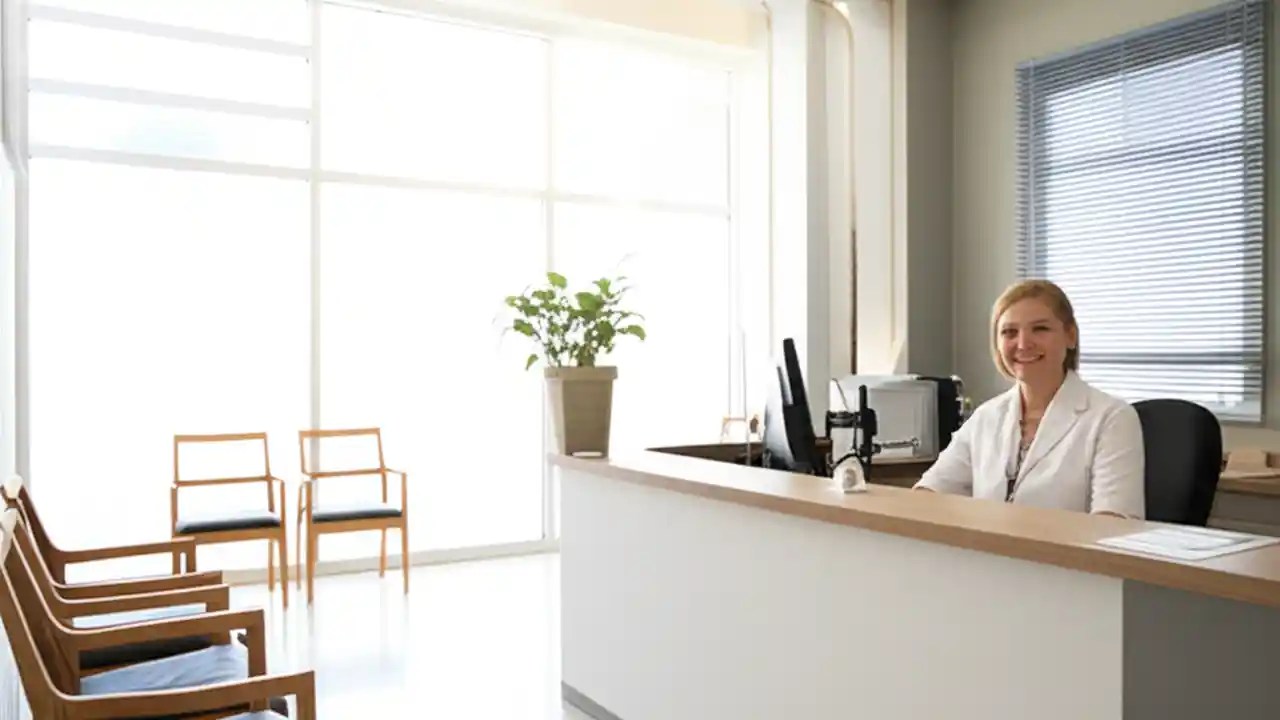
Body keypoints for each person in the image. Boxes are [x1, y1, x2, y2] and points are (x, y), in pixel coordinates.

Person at [914, 279, 1145, 518]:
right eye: (1009, 332)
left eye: (1040, 329)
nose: (1023, 344)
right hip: (987, 553)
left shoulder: (1112, 418)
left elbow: (1114, 524)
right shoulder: (987, 417)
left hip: (1064, 555)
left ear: (1071, 336)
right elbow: (931, 491)